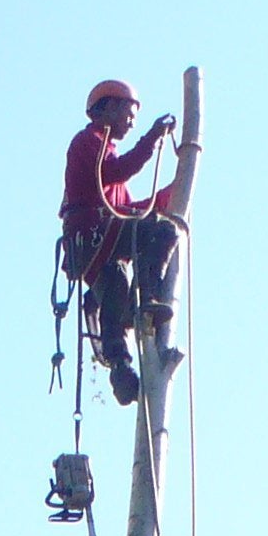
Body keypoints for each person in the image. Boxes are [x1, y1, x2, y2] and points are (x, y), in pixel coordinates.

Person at [60, 80, 184, 408]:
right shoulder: (88, 142)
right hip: (95, 235)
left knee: (114, 288)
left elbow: (129, 208)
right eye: (128, 115)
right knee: (163, 233)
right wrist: (153, 138)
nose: (131, 123)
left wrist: (169, 195)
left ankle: (121, 368)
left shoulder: (103, 150)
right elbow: (119, 172)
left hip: (97, 242)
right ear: (109, 109)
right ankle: (146, 298)